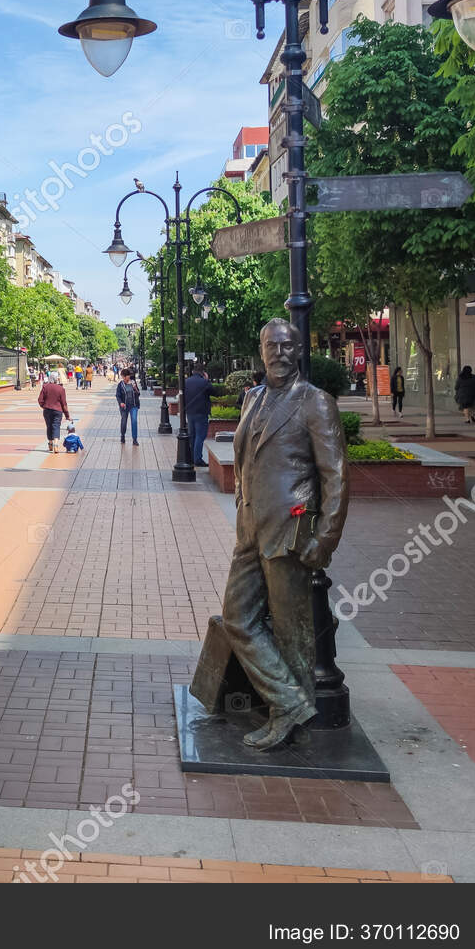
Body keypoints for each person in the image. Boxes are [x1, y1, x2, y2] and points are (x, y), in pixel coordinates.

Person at [188, 320, 349, 750]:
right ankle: (291, 701)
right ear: (260, 351)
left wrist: (325, 537)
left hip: (292, 529)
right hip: (250, 528)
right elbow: (243, 460)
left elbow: (336, 476)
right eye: (271, 346)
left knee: (291, 628)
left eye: (286, 345)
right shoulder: (252, 398)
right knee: (237, 617)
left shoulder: (316, 403)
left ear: (298, 351)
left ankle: (288, 715)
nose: (278, 352)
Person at [183, 362, 223, 467]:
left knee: (192, 435)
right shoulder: (204, 382)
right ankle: (197, 459)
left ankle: (192, 458)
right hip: (201, 413)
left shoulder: (186, 382)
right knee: (200, 436)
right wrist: (207, 380)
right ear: (203, 372)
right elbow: (214, 392)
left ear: (193, 371)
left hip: (189, 412)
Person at [37, 371, 71, 453]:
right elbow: (64, 403)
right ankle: (56, 444)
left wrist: (44, 406)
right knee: (56, 426)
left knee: (49, 426)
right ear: (56, 379)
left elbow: (40, 400)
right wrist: (67, 415)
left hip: (47, 410)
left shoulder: (45, 387)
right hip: (58, 411)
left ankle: (50, 444)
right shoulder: (61, 389)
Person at [116, 367, 141, 446]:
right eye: (126, 376)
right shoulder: (120, 385)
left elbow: (138, 393)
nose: (128, 377)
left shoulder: (133, 382)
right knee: (124, 421)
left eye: (128, 376)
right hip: (124, 406)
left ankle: (134, 439)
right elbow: (118, 395)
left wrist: (135, 388)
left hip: (134, 405)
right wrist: (121, 403)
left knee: (134, 421)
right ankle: (122, 435)